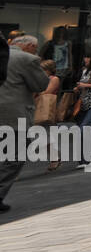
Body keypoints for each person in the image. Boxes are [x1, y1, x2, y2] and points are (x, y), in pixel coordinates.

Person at [0, 35, 47, 213]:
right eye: (35, 48)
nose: (36, 51)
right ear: (29, 46)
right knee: (14, 156)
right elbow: (41, 84)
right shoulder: (27, 59)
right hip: (13, 116)